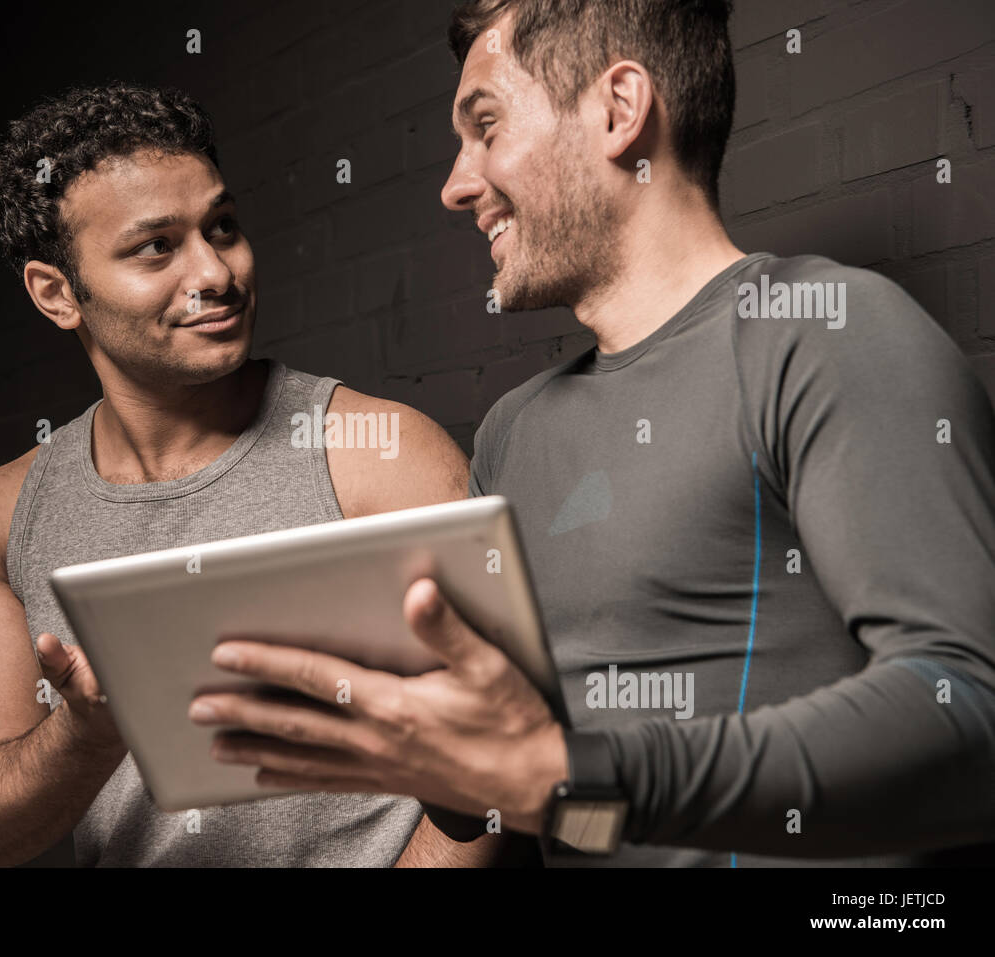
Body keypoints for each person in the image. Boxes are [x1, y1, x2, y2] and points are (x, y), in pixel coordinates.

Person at [188, 0, 995, 865]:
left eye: (486, 126)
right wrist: (401, 720)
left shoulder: (823, 332)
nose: (456, 185)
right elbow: (499, 805)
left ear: (619, 110)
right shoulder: (512, 431)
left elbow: (969, 712)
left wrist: (571, 775)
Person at [0, 82, 499, 867]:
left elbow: (500, 764)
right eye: (156, 246)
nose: (216, 272)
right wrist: (88, 732)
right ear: (57, 293)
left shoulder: (379, 453)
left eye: (222, 227)